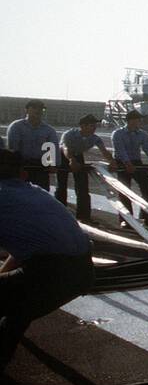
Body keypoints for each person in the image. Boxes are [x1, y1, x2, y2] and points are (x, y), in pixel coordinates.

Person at [0, 149, 95, 367]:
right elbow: (25, 248)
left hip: (49, 272)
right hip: (83, 274)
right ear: (23, 174)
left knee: (20, 297)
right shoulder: (35, 191)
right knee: (19, 307)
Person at [56, 114, 112, 222]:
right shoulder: (69, 134)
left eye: (95, 125)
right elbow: (65, 148)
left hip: (77, 155)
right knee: (61, 186)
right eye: (92, 125)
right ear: (83, 126)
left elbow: (104, 151)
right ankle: (60, 216)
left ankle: (84, 217)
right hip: (62, 155)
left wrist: (112, 161)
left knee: (82, 187)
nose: (95, 128)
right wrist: (71, 160)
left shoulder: (95, 138)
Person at [111, 109, 148, 224]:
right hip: (122, 162)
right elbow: (120, 150)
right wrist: (127, 164)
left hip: (136, 161)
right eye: (138, 119)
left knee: (146, 189)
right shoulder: (118, 134)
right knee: (124, 191)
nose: (140, 122)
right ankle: (126, 220)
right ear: (130, 121)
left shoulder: (142, 134)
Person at [6, 100, 59, 191]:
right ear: (26, 110)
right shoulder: (16, 126)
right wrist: (16, 166)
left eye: (41, 109)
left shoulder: (49, 130)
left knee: (42, 193)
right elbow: (13, 148)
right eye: (34, 108)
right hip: (22, 165)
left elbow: (53, 148)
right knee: (21, 193)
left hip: (41, 167)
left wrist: (54, 165)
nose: (37, 110)